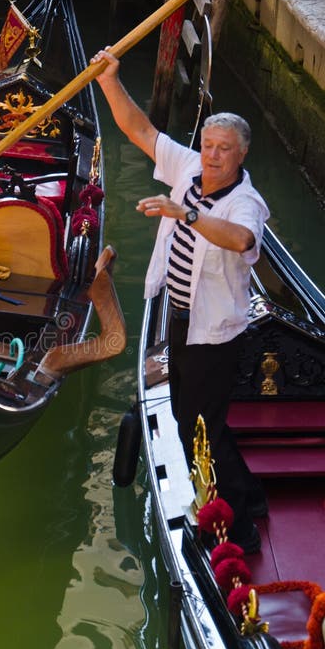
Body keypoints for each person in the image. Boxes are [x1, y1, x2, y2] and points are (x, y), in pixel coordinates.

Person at [91, 47, 270, 553]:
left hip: (214, 334)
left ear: (241, 155)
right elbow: (140, 131)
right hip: (178, 317)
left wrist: (184, 212)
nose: (211, 155)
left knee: (198, 426)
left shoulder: (245, 202)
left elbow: (240, 241)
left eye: (223, 149)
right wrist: (109, 80)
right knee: (196, 418)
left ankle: (239, 527)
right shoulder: (188, 167)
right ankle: (251, 496)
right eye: (208, 145)